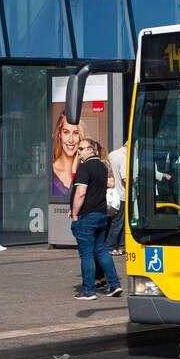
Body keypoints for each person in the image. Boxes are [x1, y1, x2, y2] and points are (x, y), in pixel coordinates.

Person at [70, 139, 121, 300]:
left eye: (81, 149)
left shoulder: (85, 168)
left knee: (86, 254)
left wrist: (74, 213)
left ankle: (88, 290)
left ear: (91, 150)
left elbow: (81, 193)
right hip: (100, 215)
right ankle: (114, 285)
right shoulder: (101, 166)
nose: (78, 152)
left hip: (87, 216)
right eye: (78, 149)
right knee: (101, 251)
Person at [50, 113, 82, 198]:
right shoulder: (50, 171)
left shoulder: (85, 169)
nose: (71, 140)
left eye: (75, 133)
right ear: (59, 134)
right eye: (66, 132)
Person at [106, 140, 127, 255]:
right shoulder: (124, 157)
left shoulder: (113, 154)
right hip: (122, 194)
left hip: (113, 194)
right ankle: (111, 246)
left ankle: (117, 245)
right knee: (119, 222)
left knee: (115, 221)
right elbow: (125, 178)